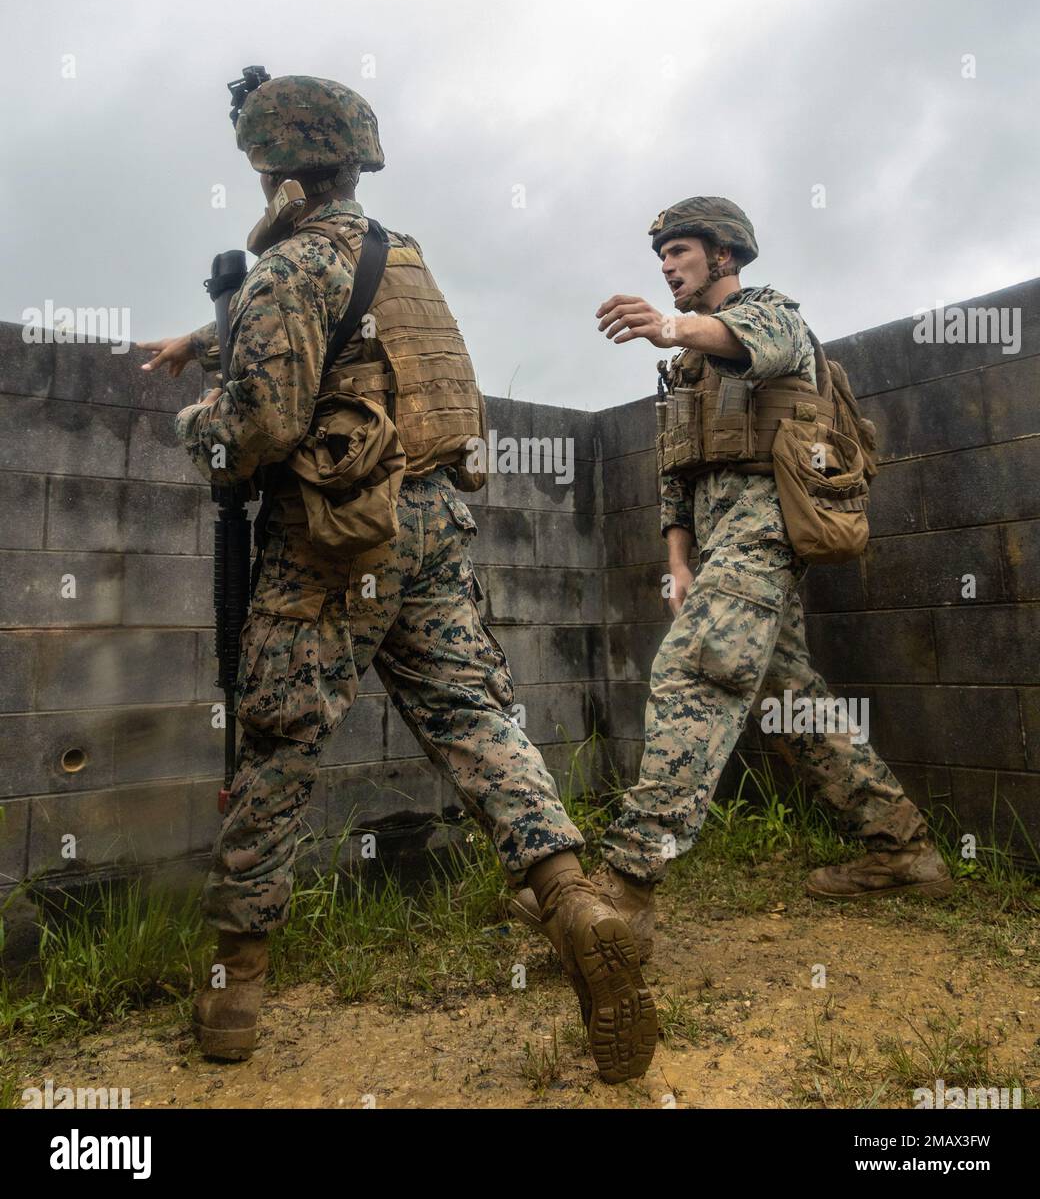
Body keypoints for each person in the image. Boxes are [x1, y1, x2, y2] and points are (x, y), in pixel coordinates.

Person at [138, 74, 657, 1082]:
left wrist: (193, 418)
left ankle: (233, 991)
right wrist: (202, 336)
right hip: (429, 529)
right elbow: (326, 317)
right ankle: (577, 905)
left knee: (278, 741)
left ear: (277, 169)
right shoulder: (398, 258)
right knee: (475, 723)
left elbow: (257, 426)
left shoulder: (288, 267)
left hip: (336, 540)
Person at [513, 195, 952, 962]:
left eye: (680, 251)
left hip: (768, 534)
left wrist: (668, 322)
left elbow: (752, 344)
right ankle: (901, 847)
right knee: (794, 702)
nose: (667, 266)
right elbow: (675, 474)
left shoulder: (771, 314)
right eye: (662, 257)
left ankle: (627, 888)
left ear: (724, 255)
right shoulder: (684, 368)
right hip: (719, 550)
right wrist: (679, 563)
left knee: (694, 672)